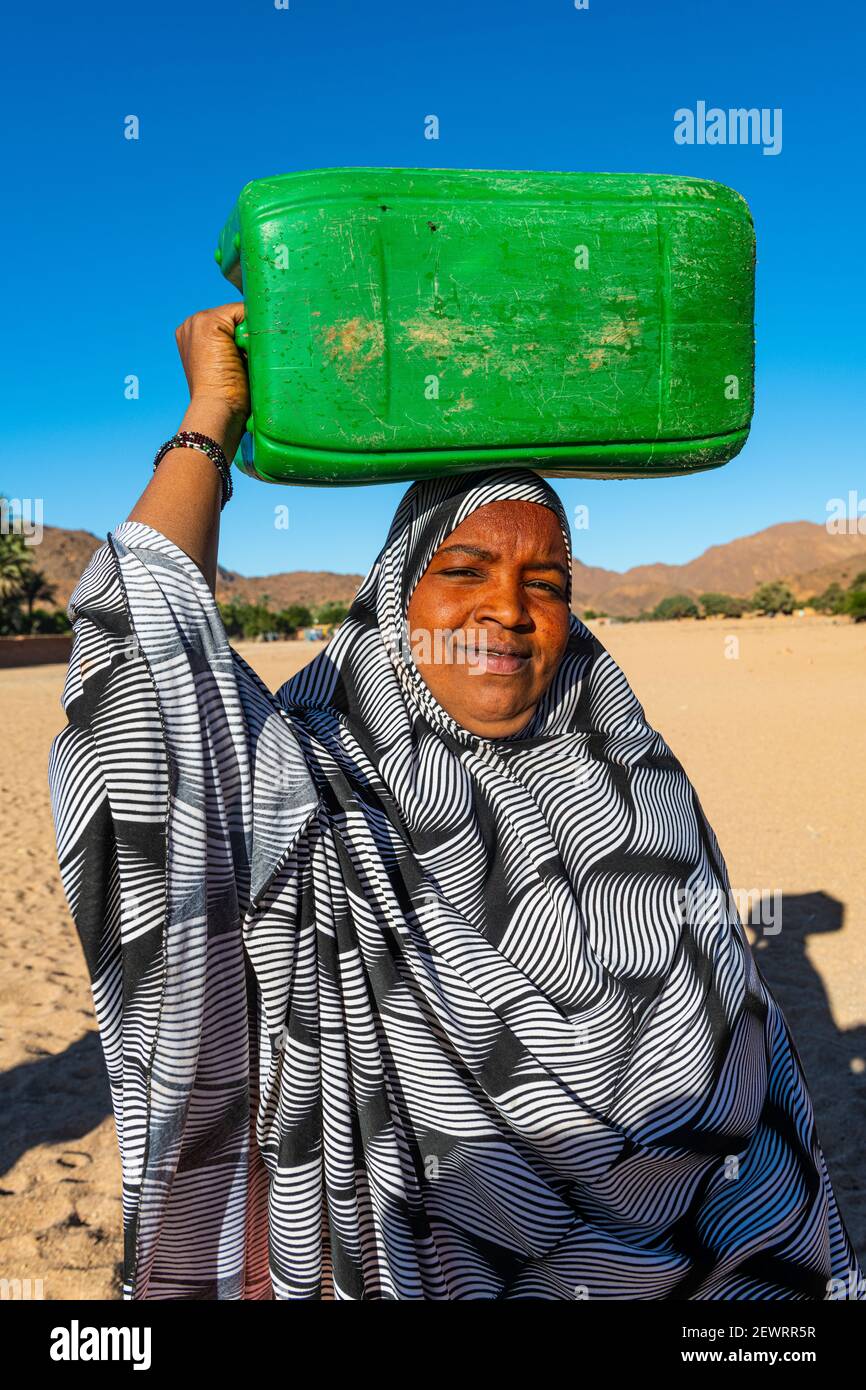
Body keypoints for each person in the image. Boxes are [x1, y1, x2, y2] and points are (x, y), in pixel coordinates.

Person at [49, 304, 863, 1301]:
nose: (509, 609)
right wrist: (209, 417)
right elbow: (141, 679)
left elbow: (755, 1108)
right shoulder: (315, 791)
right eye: (463, 570)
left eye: (547, 580)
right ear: (395, 600)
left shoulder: (638, 794)